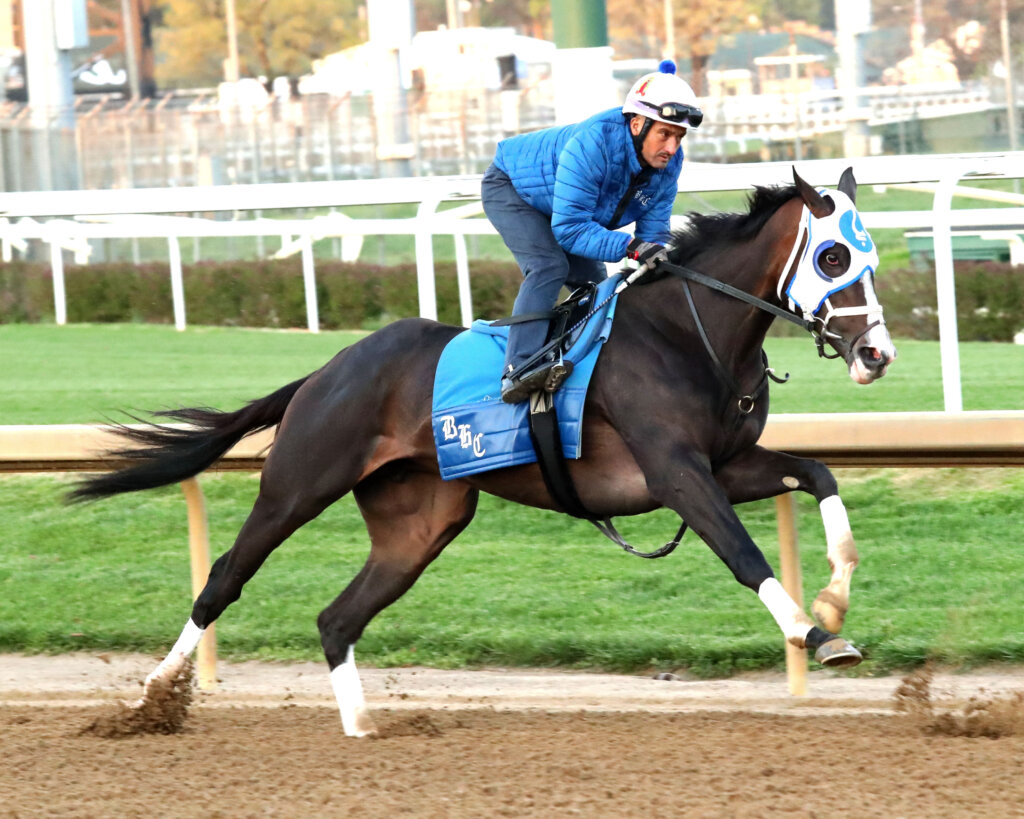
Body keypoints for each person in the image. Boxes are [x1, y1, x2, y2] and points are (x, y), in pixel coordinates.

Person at [482, 60, 702, 404]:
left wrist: (659, 261)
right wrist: (632, 247)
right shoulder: (595, 143)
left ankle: (587, 368)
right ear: (637, 124)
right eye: (665, 134)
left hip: (564, 208)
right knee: (549, 266)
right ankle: (518, 370)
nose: (672, 148)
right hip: (512, 187)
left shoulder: (669, 164)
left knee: (597, 290)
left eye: (679, 136)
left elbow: (654, 235)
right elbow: (570, 229)